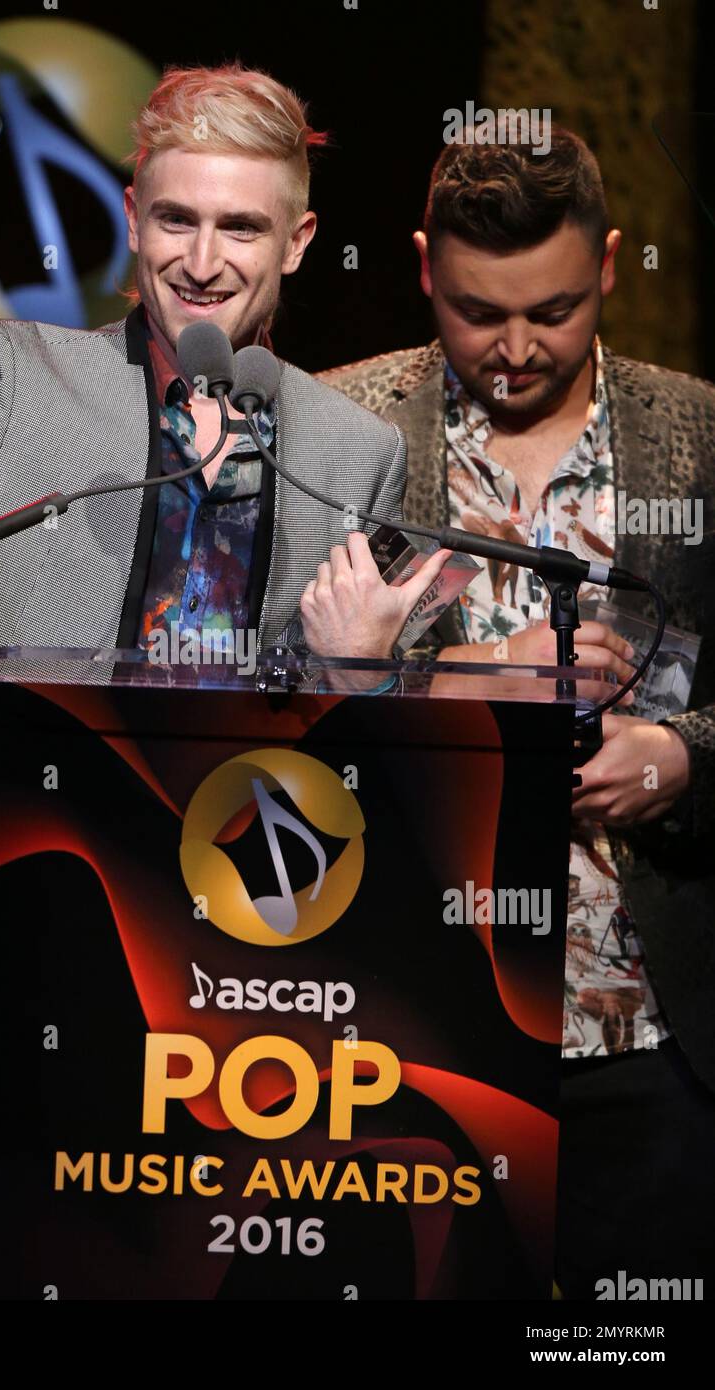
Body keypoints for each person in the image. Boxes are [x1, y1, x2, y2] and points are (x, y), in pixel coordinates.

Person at [0, 63, 446, 1200]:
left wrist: (368, 671)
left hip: (248, 965)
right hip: (28, 918)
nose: (203, 259)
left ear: (298, 241)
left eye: (242, 227)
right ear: (132, 218)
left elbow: (392, 763)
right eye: (177, 218)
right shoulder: (19, 374)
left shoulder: (354, 452)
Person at [314, 127, 715, 1298]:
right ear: (423, 267)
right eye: (478, 312)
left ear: (610, 265)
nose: (518, 348)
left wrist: (682, 757)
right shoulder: (344, 430)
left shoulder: (698, 439)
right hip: (408, 1034)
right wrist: (467, 678)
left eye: (555, 310)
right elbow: (252, 705)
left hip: (649, 1036)